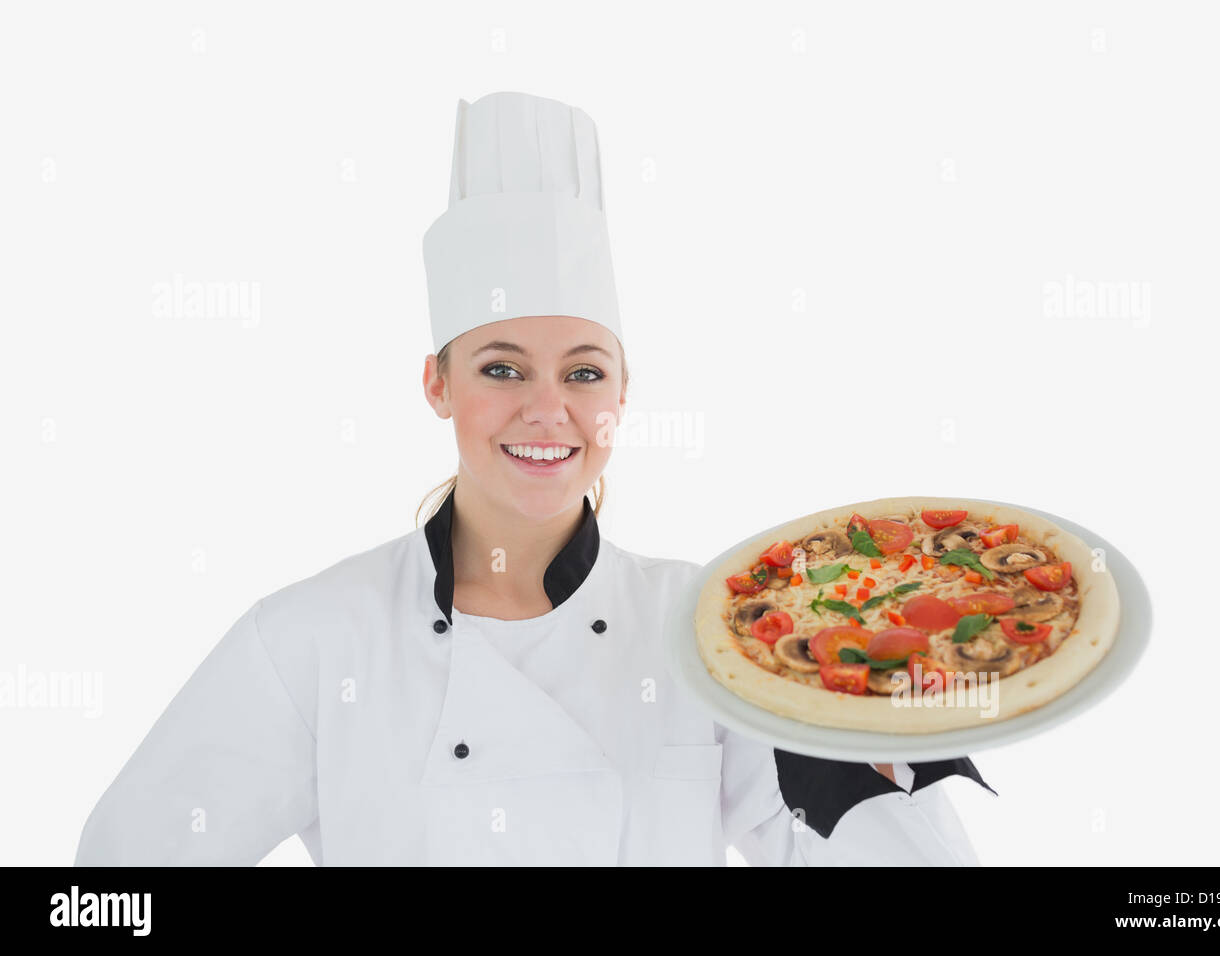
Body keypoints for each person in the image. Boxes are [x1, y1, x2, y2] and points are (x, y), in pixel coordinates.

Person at [73, 91, 996, 866]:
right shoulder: (316, 639)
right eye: (502, 368)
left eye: (584, 372)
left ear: (624, 393)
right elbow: (120, 877)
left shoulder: (714, 633)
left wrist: (872, 728)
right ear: (437, 383)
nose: (546, 410)